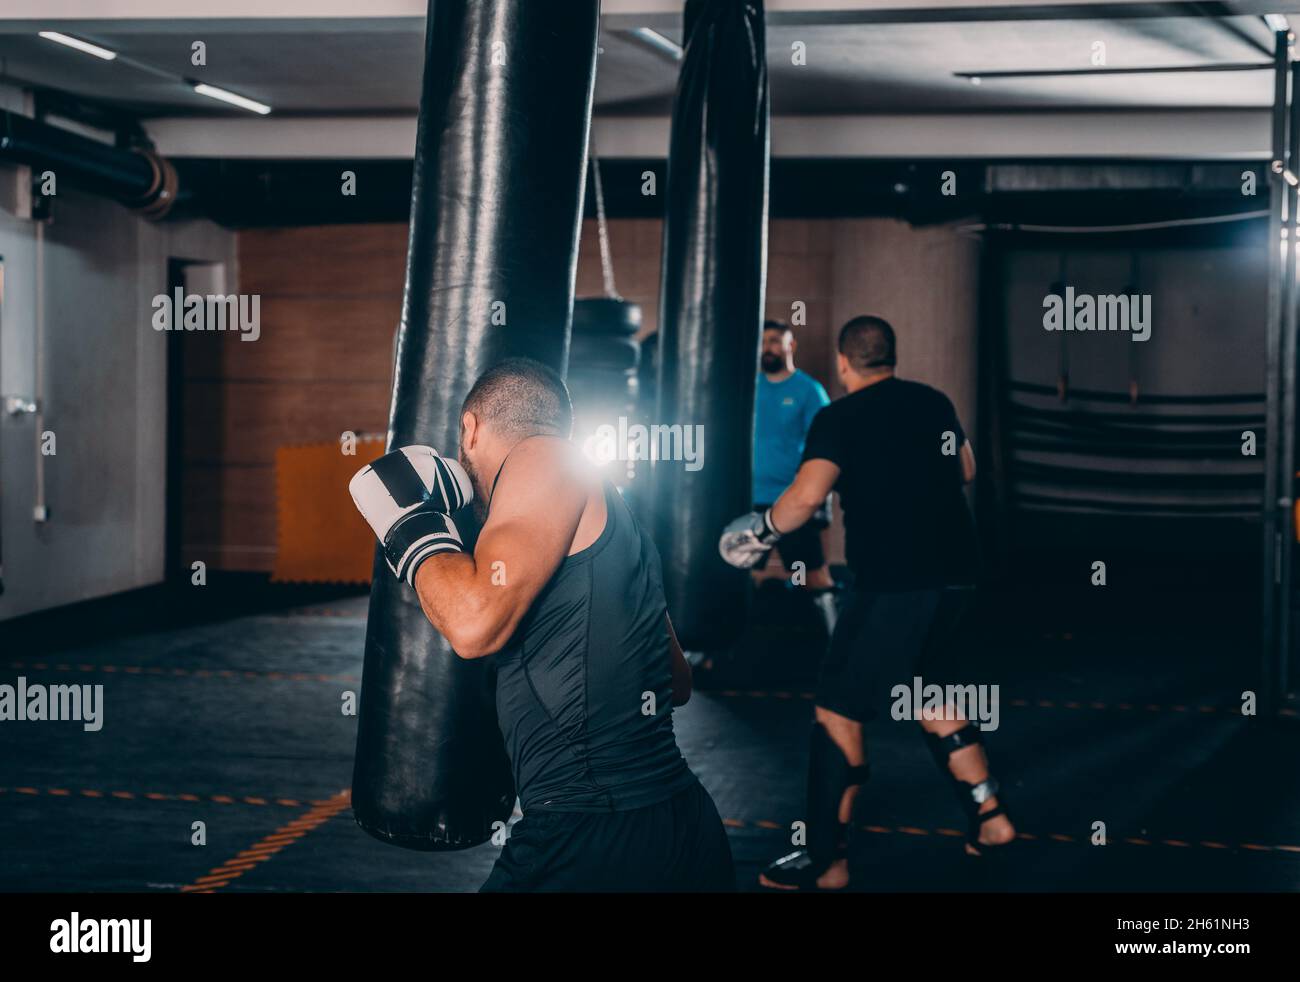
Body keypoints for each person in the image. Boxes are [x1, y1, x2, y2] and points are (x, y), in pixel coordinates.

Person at [350, 357, 734, 892]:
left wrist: (411, 529)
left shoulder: (543, 457)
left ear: (470, 429)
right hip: (681, 823)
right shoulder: (615, 515)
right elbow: (677, 681)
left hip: (591, 835)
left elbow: (473, 626)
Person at [719, 315, 1016, 891]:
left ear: (843, 362)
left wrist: (761, 531)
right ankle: (992, 819)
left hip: (896, 585)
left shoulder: (838, 416)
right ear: (890, 356)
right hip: (959, 578)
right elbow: (966, 469)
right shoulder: (932, 401)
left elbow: (806, 496)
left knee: (837, 710)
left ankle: (826, 862)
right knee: (934, 696)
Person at [752, 321, 837, 623]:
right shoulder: (750, 386)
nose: (768, 347)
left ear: (791, 345)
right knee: (742, 574)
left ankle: (832, 640)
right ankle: (741, 647)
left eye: (775, 340)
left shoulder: (809, 390)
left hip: (793, 498)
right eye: (763, 341)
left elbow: (826, 445)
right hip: (752, 498)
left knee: (813, 576)